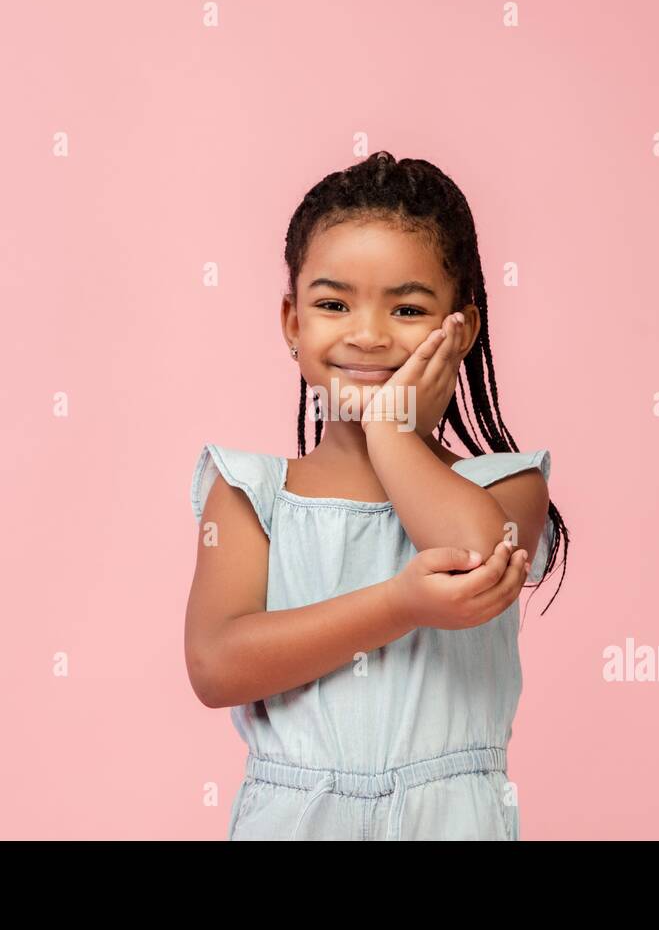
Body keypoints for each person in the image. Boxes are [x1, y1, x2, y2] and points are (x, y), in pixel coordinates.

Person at [186, 151, 571, 839]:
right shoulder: (253, 493)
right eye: (333, 304)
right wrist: (399, 604)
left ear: (462, 330)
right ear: (293, 324)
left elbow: (475, 560)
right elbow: (217, 667)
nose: (368, 334)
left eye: (408, 308)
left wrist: (392, 434)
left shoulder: (505, 486)